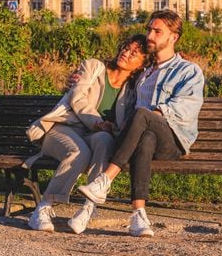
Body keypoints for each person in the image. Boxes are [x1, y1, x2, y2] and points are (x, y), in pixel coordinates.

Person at [77, 10, 204, 237]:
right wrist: (77, 80)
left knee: (144, 115)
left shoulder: (188, 70)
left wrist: (155, 113)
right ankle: (139, 215)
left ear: (173, 37)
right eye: (149, 30)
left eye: (157, 31)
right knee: (145, 138)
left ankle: (105, 180)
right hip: (144, 139)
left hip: (173, 140)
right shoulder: (144, 74)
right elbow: (118, 86)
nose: (150, 35)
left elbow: (187, 106)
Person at [25, 34, 149, 234]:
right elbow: (77, 97)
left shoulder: (132, 91)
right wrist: (97, 122)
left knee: (105, 141)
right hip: (63, 128)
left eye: (134, 53)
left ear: (141, 65)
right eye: (126, 47)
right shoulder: (93, 67)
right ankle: (43, 208)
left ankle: (88, 208)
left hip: (94, 135)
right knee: (79, 152)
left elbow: (123, 124)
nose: (126, 52)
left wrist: (107, 128)